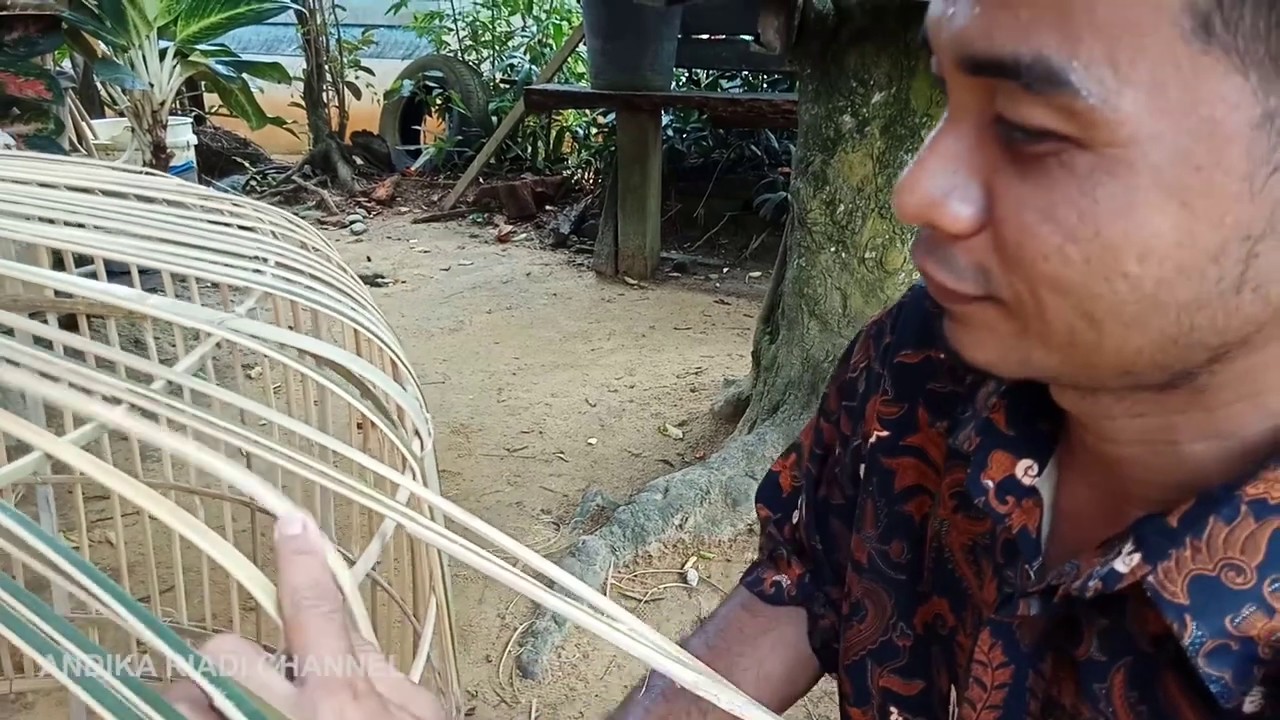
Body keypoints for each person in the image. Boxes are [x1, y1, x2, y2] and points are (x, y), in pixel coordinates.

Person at [171, 0, 1278, 717]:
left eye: (1031, 128)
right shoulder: (922, 367)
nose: (917, 191)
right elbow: (789, 598)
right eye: (948, 97)